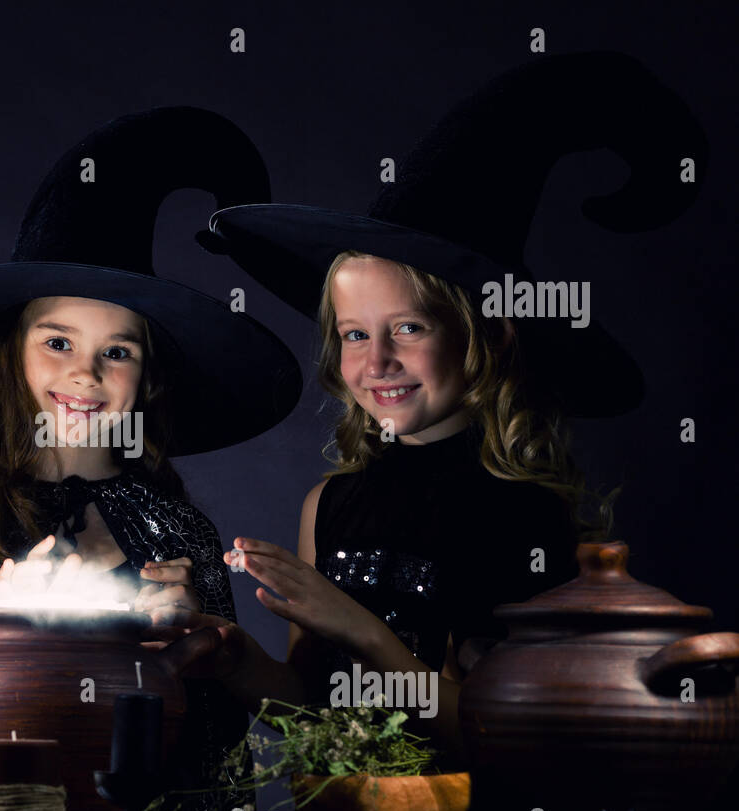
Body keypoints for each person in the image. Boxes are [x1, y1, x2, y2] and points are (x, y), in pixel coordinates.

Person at [186, 52, 706, 764]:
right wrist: (236, 661)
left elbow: (506, 739)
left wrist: (364, 632)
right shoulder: (327, 506)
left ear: (487, 336)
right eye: (354, 335)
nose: (377, 362)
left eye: (409, 328)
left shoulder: (529, 519)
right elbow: (313, 712)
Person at [0, 107, 301, 807]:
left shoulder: (180, 535)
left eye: (117, 352)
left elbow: (219, 752)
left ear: (148, 378)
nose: (86, 375)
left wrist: (192, 645)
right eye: (58, 342)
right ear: (11, 354)